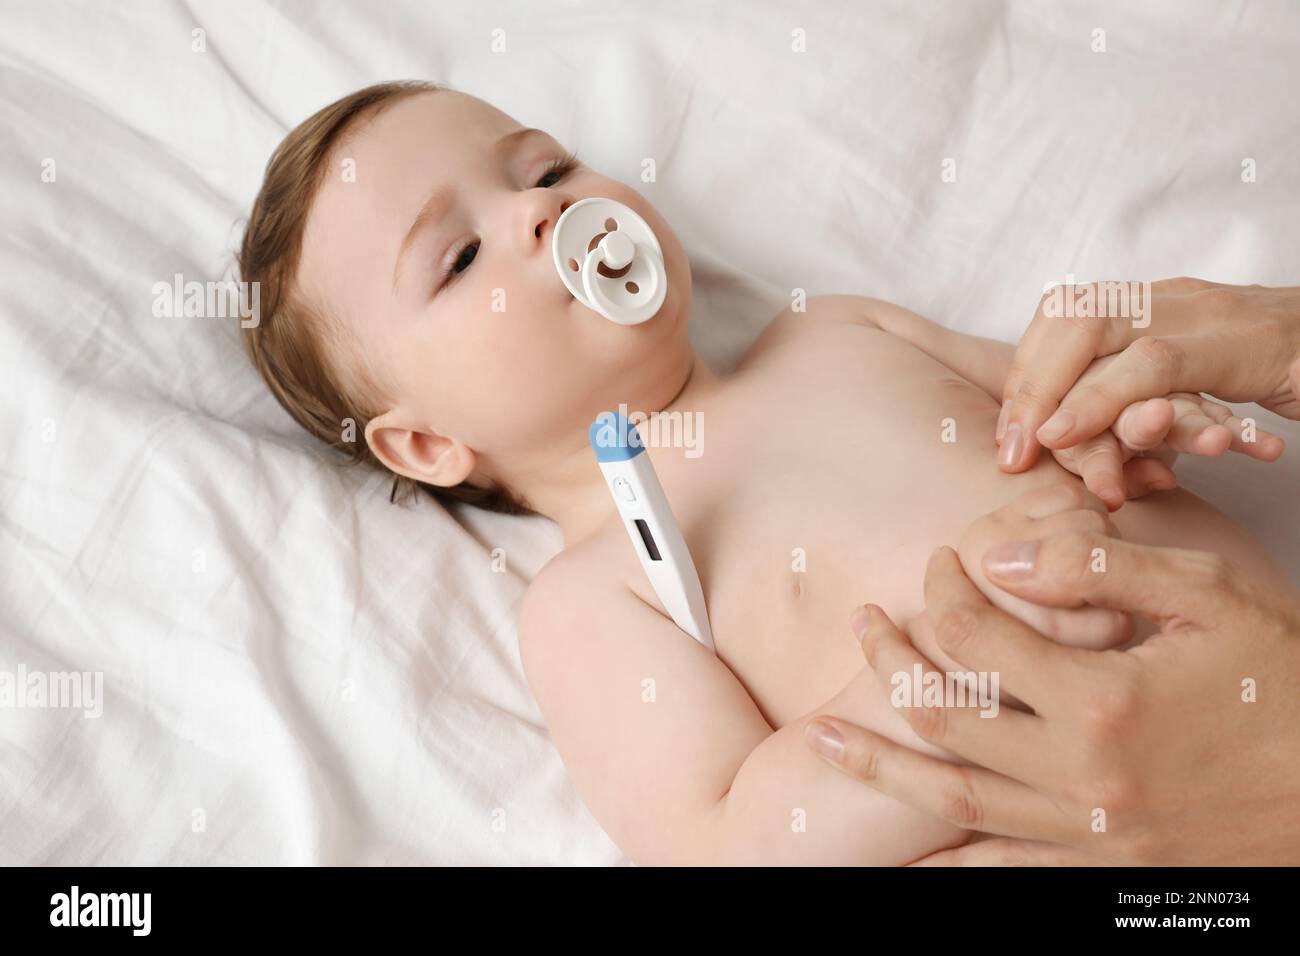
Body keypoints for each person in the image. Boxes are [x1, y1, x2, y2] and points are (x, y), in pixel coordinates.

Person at [806, 280, 1300, 864]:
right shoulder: (664, 584)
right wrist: (949, 664)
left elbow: (1048, 400)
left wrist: (1105, 416)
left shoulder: (834, 322)